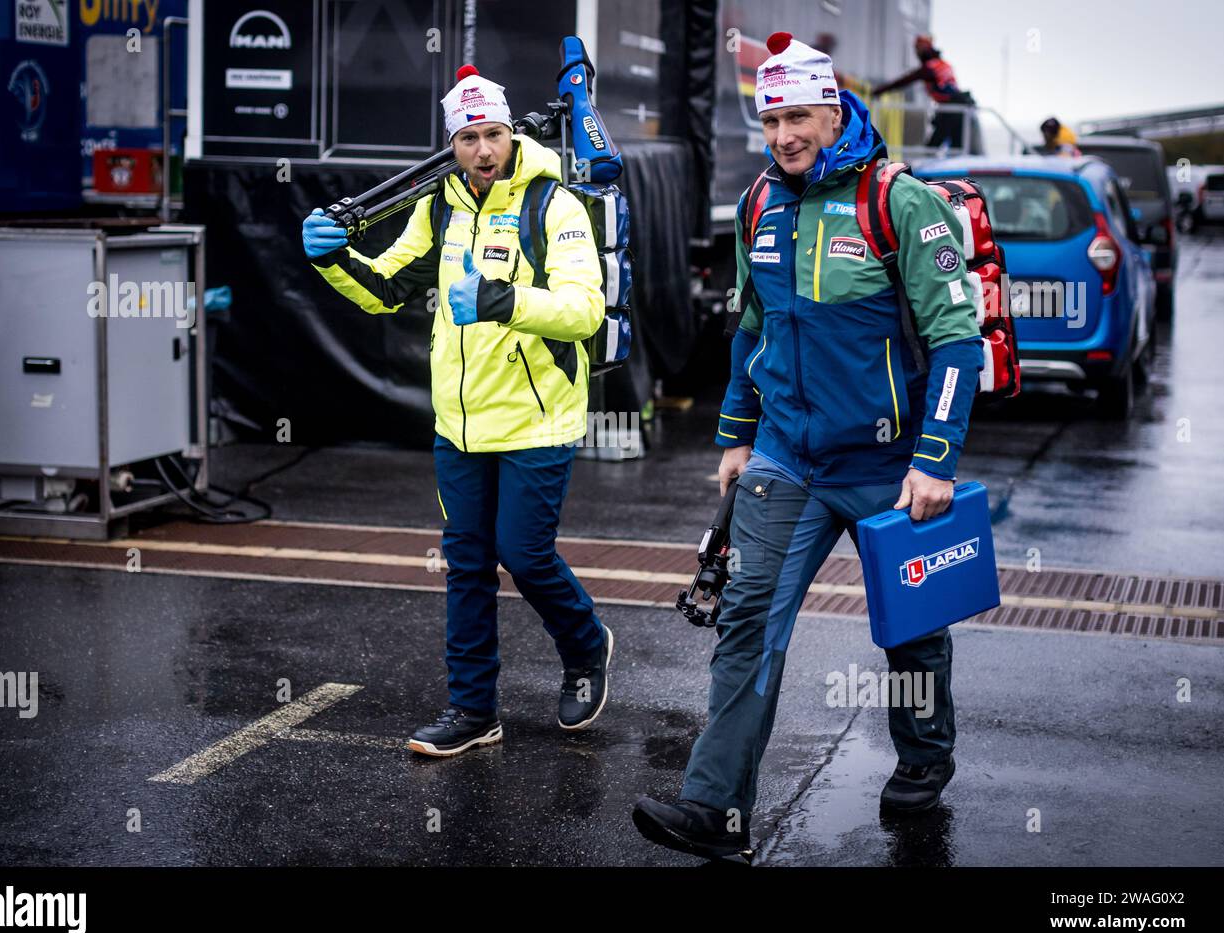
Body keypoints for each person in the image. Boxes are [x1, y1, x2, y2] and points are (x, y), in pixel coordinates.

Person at [633, 33, 984, 861]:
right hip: (787, 460)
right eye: (770, 119)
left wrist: (935, 458)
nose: (783, 134)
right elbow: (754, 330)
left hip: (889, 467)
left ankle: (925, 759)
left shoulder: (898, 202)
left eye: (796, 116)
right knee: (747, 622)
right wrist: (734, 437)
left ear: (833, 110)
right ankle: (715, 811)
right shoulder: (761, 201)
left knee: (912, 633)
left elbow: (957, 342)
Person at [301, 64, 614, 757]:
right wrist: (331, 259)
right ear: (451, 143)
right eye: (468, 136)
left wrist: (503, 301)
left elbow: (585, 311)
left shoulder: (551, 204)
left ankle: (587, 644)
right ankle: (473, 711)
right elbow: (384, 288)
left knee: (524, 557)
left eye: (494, 133)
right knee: (465, 564)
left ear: (511, 135)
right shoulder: (439, 205)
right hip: (460, 425)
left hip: (538, 420)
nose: (482, 149)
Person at [872, 34, 979, 152]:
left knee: (935, 146)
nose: (916, 52)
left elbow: (904, 81)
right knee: (956, 147)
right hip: (958, 107)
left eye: (917, 48)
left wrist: (878, 91)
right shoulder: (943, 64)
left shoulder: (930, 68)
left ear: (924, 49)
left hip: (952, 109)